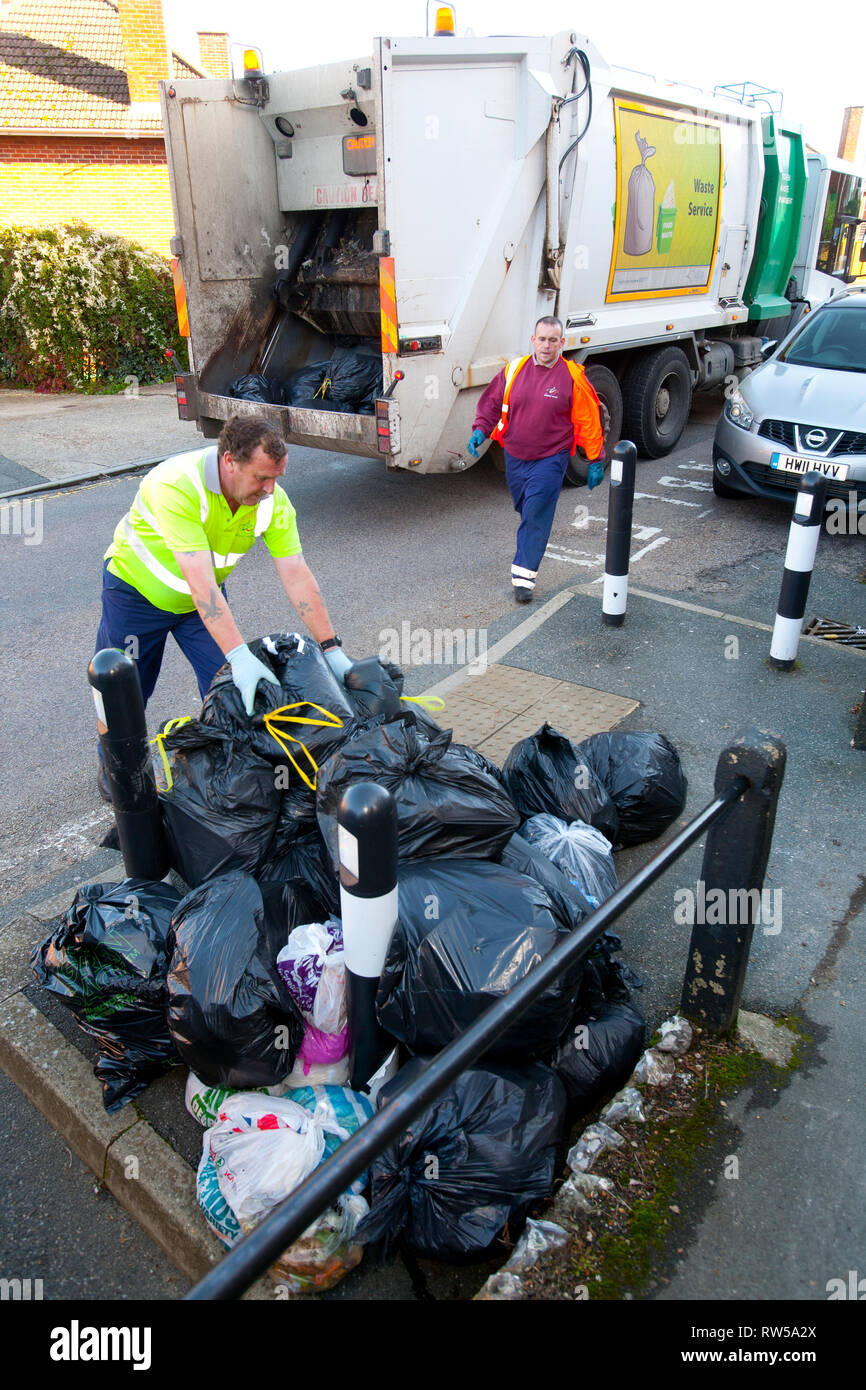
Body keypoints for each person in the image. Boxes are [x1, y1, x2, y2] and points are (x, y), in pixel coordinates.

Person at [93, 413, 352, 800]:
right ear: (229, 461)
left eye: (277, 477)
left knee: (229, 689)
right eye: (261, 478)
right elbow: (200, 582)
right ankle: (112, 766)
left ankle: (226, 772)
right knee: (122, 690)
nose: (270, 488)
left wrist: (330, 647)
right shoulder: (177, 485)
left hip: (203, 603)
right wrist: (239, 652)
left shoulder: (272, 502)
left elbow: (297, 574)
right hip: (136, 597)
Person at [467, 316, 606, 602]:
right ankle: (529, 546)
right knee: (524, 506)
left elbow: (588, 419)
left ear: (561, 343)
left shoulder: (572, 376)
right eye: (541, 339)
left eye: (553, 340)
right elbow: (492, 403)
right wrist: (481, 429)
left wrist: (595, 458)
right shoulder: (514, 369)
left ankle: (524, 579)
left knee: (536, 513)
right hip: (515, 456)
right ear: (533, 340)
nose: (546, 345)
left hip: (550, 458)